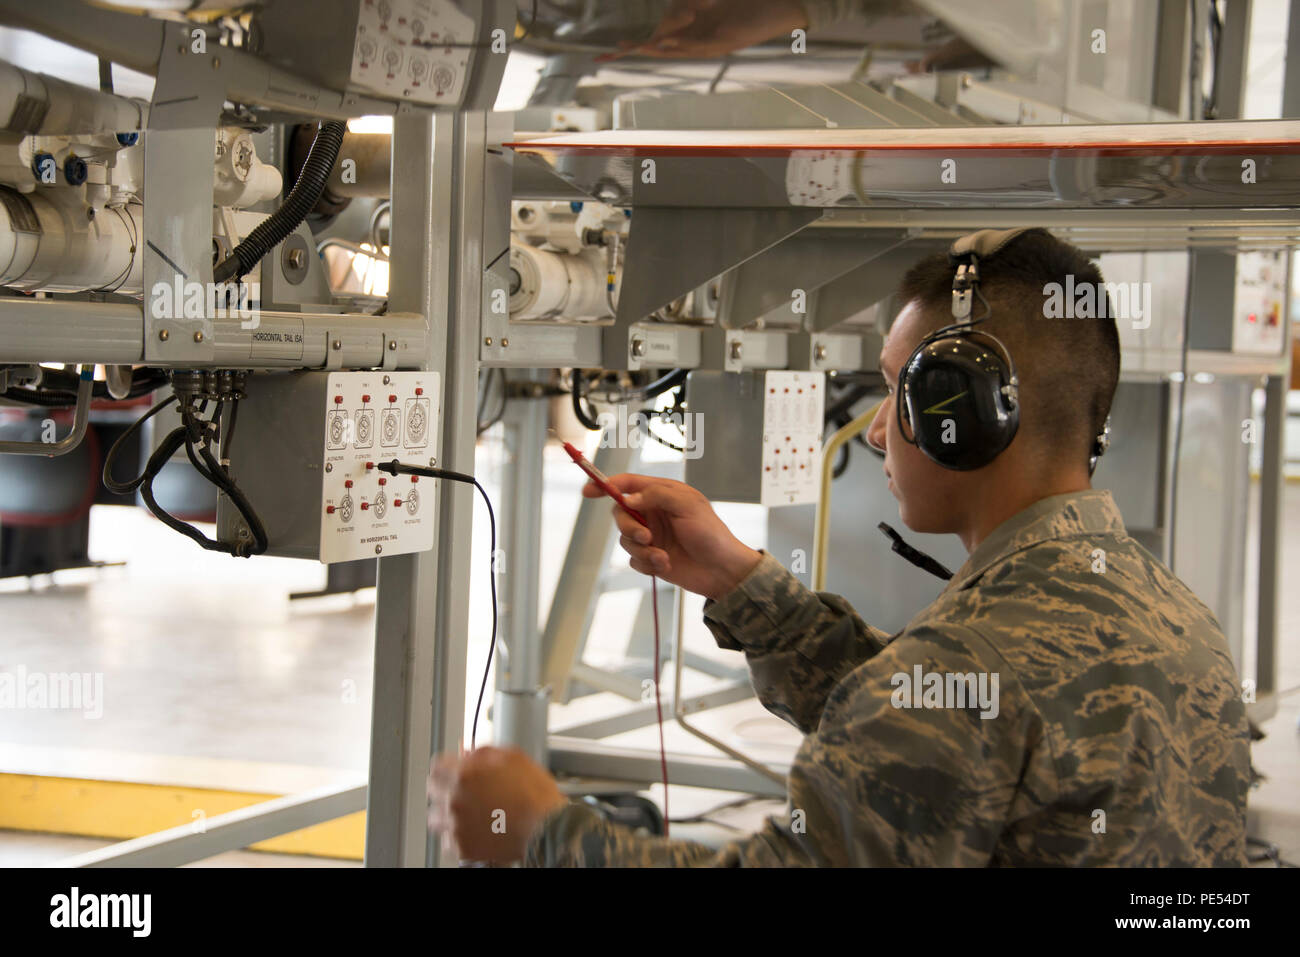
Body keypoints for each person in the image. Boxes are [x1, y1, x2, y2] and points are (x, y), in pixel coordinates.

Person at [431, 228, 1251, 866]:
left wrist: (540, 830)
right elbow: (944, 726)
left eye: (900, 387)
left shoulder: (977, 654)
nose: (879, 424)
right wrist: (746, 583)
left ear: (964, 408)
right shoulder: (1174, 613)